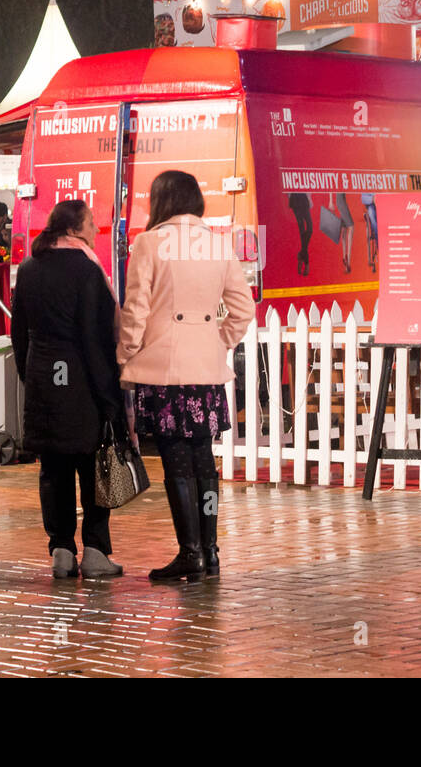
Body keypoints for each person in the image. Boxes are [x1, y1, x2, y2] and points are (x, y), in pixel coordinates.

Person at [118, 170, 254, 582]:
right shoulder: (218, 243)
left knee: (176, 460)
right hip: (206, 371)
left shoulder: (149, 242)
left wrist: (126, 355)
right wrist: (217, 341)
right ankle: (210, 553)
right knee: (204, 461)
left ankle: (190, 552)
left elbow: (136, 308)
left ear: (161, 201)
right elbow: (243, 308)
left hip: (163, 370)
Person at [11, 200, 125, 580]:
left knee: (54, 469)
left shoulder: (28, 270)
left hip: (44, 380)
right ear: (75, 228)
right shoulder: (87, 271)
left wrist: (33, 376)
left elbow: (19, 334)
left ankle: (61, 550)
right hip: (82, 382)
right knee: (94, 467)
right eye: (92, 223)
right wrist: (109, 395)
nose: (96, 229)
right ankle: (95, 551)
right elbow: (97, 338)